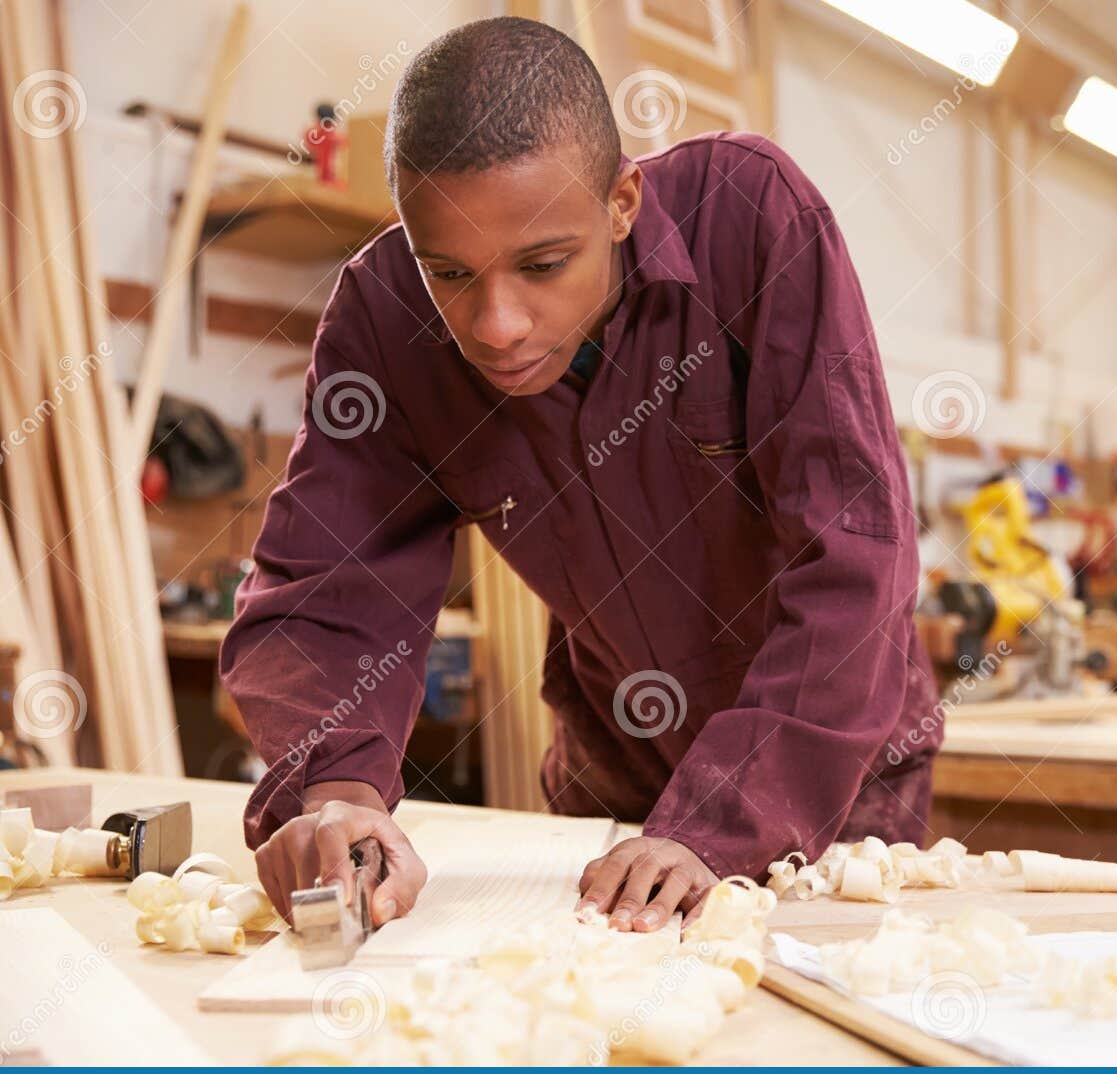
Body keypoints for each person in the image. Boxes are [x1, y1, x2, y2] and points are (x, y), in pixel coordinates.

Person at [221, 16, 942, 934]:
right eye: (448, 270)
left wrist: (718, 828)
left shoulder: (752, 220)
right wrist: (337, 794)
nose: (496, 325)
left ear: (622, 201)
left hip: (827, 767)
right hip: (616, 770)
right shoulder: (382, 314)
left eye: (544, 264)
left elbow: (855, 553)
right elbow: (327, 591)